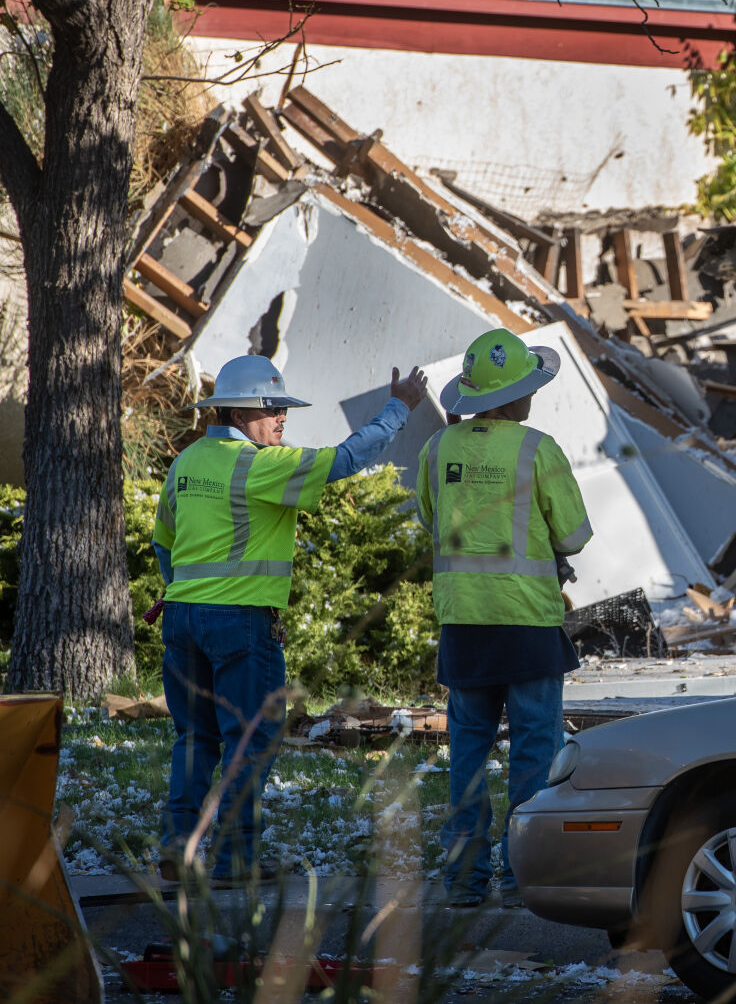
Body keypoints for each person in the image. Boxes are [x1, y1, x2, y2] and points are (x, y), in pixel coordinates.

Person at [154, 354, 428, 886]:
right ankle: (236, 860)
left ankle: (176, 848)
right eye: (271, 408)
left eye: (284, 408)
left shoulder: (185, 463)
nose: (282, 417)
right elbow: (347, 458)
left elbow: (163, 541)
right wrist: (399, 409)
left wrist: (184, 593)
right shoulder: (259, 464)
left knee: (194, 739)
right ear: (239, 413)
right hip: (241, 622)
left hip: (182, 619)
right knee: (250, 742)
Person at [416, 329, 591, 909]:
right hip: (528, 625)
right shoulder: (538, 450)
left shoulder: (437, 448)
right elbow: (574, 535)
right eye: (528, 387)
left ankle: (464, 881)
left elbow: (429, 518)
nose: (533, 395)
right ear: (514, 395)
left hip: (463, 625)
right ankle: (524, 877)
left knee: (468, 752)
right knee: (535, 751)